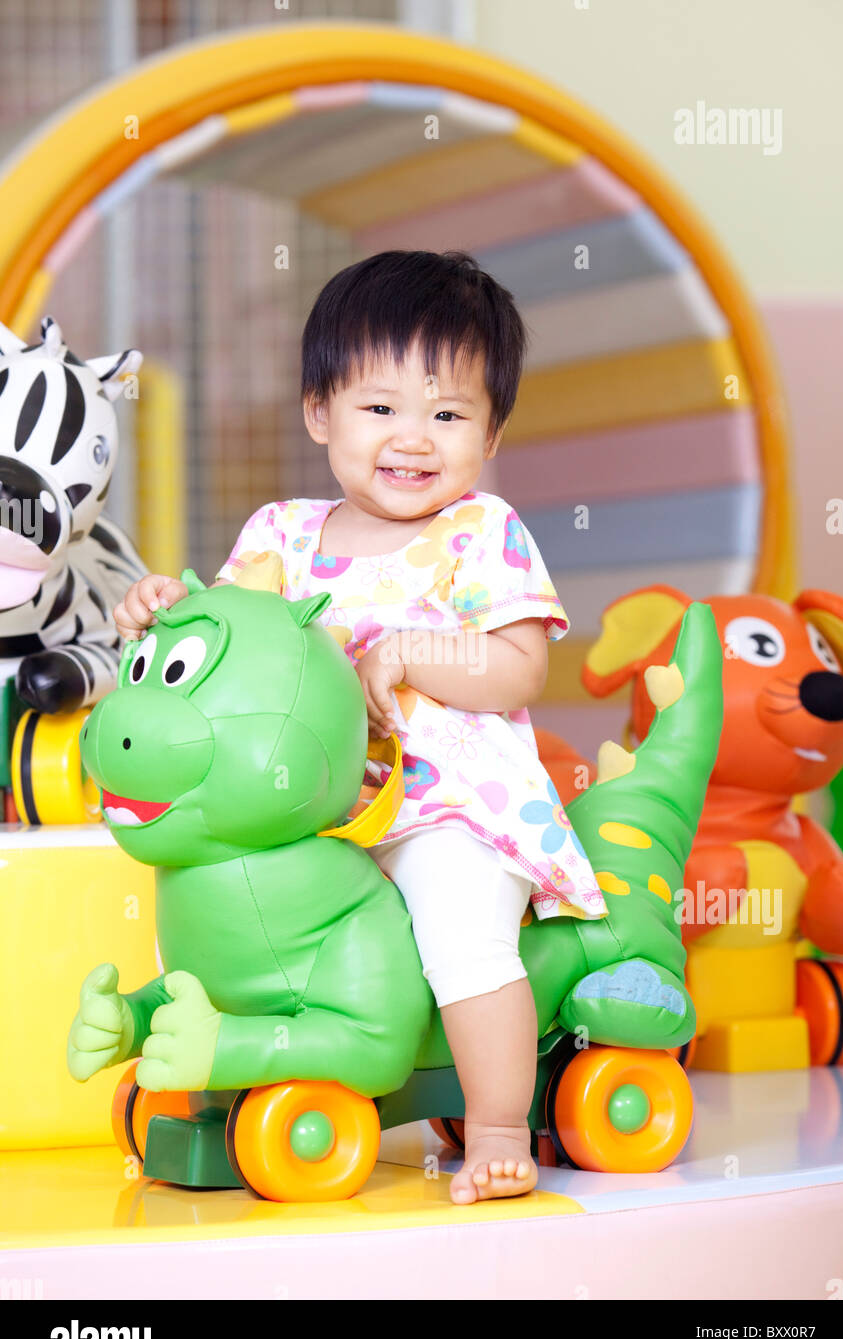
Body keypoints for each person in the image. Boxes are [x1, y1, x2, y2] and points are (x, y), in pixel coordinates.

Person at [114, 250, 607, 1203]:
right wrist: (163, 606)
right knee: (234, 913)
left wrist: (414, 653)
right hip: (315, 817)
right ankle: (237, 1069)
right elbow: (228, 650)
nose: (413, 438)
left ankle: (499, 1124)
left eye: (449, 413)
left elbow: (519, 667)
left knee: (461, 932)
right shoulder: (280, 536)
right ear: (320, 412)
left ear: (491, 431)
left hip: (446, 809)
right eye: (380, 408)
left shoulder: (480, 532)